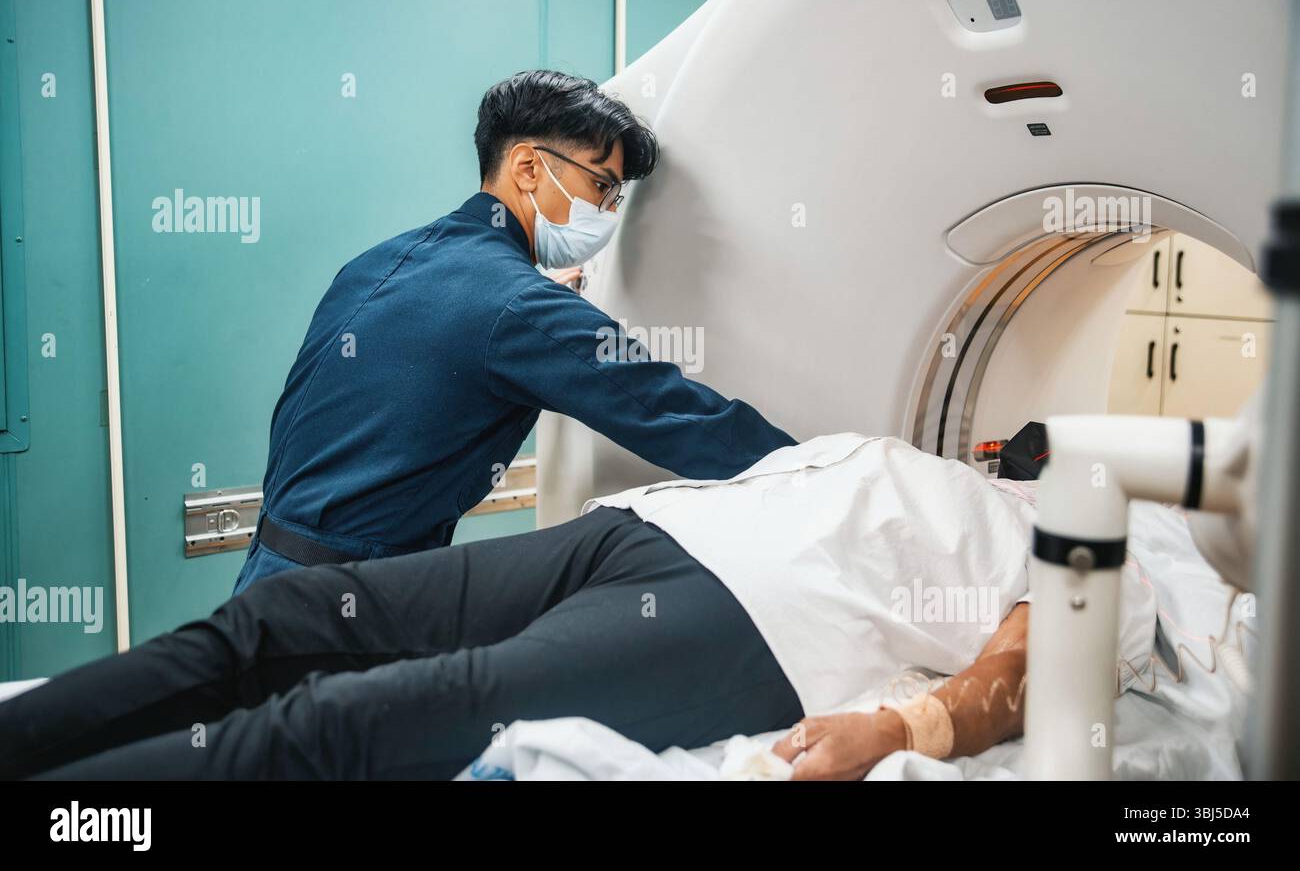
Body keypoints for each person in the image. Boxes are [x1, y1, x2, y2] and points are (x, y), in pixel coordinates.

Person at [0, 435, 1153, 780]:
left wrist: (905, 728)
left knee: (369, 716)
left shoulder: (1106, 530)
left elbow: (1042, 650)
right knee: (291, 613)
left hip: (751, 622)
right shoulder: (895, 444)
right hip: (644, 529)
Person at [233, 70, 794, 594]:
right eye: (601, 186)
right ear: (527, 166)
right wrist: (820, 470)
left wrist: (541, 296)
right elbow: (665, 409)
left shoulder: (379, 262)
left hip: (266, 576)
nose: (607, 212)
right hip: (344, 607)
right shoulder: (518, 306)